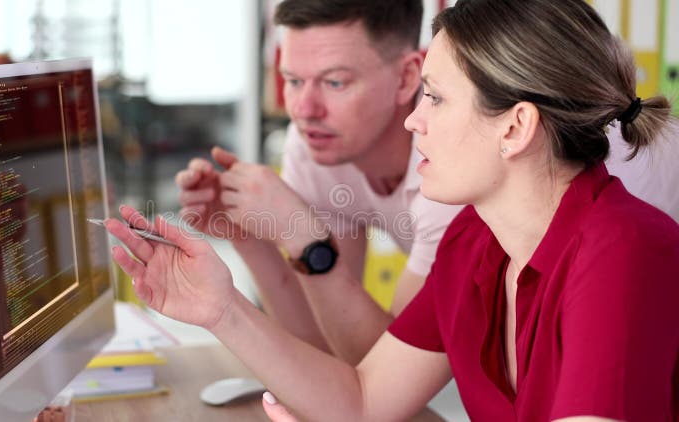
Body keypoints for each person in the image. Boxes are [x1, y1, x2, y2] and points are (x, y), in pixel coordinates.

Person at [106, 0, 679, 420]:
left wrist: (302, 237)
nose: (414, 119)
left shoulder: (624, 251)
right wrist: (220, 306)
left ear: (515, 126)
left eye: (435, 96)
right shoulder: (474, 243)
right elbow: (363, 399)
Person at [176, 0, 463, 366]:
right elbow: (320, 344)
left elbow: (387, 368)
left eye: (334, 82)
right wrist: (244, 231)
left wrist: (307, 241)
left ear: (407, 78)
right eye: (293, 81)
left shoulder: (450, 159)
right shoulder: (316, 145)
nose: (305, 110)